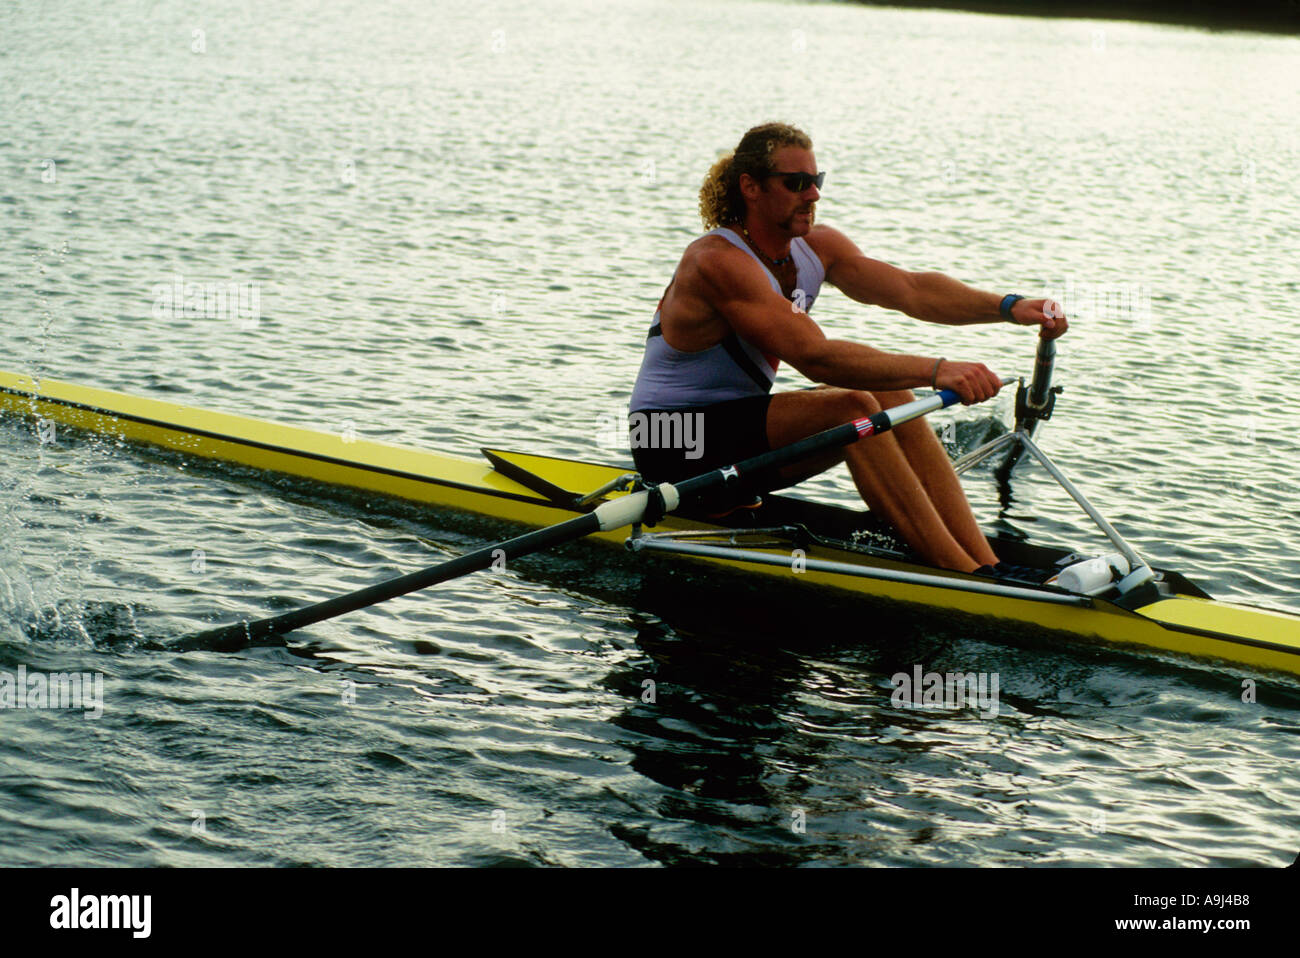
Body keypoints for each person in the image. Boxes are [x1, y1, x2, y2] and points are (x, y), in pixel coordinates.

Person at [627, 122, 1069, 575]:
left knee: (895, 398)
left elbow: (912, 290)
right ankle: (966, 576)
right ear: (751, 187)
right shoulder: (716, 262)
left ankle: (986, 562)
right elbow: (814, 356)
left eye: (815, 181)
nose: (812, 195)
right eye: (796, 183)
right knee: (853, 407)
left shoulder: (816, 249)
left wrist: (1010, 306)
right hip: (670, 439)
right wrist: (937, 369)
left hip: (733, 436)